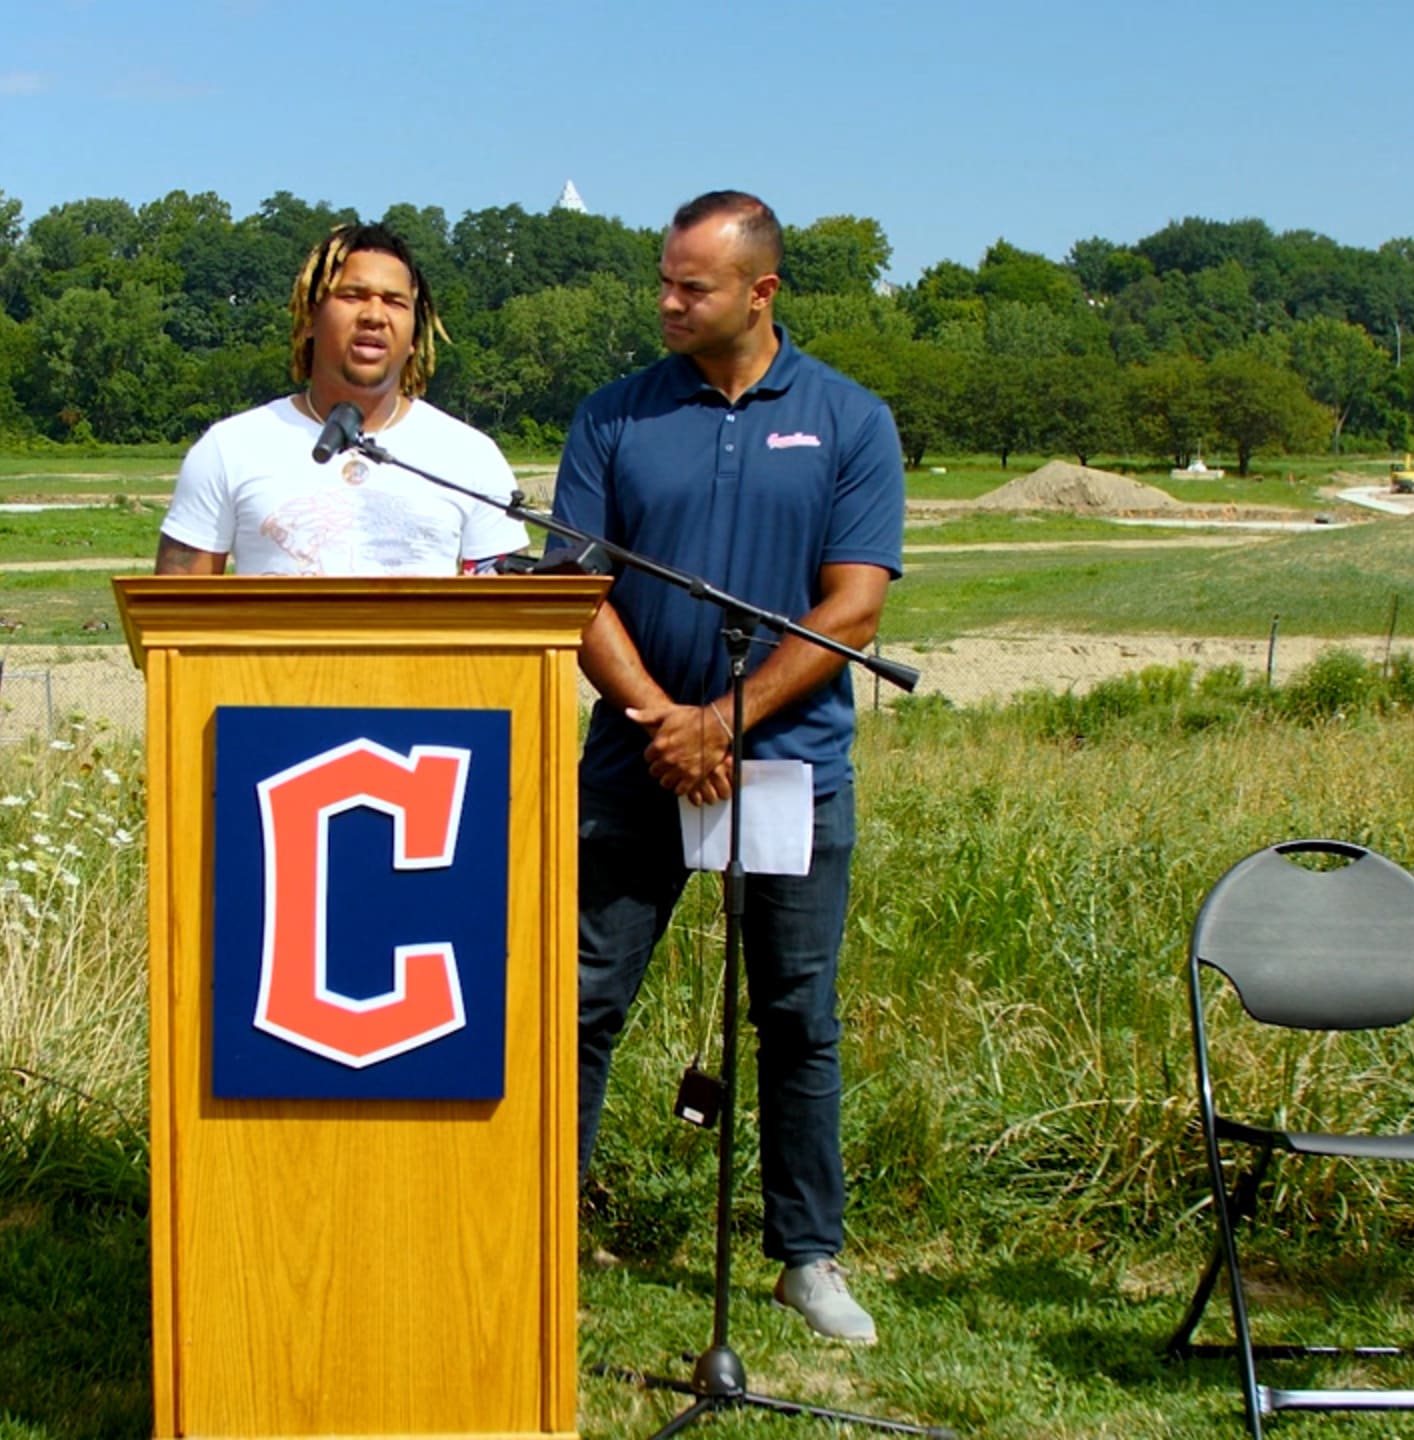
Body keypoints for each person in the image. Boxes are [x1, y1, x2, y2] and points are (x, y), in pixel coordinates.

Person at [552, 192, 904, 1344]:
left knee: (796, 1015)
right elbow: (576, 589)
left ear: (760, 292)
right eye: (661, 278)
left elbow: (851, 603)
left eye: (689, 286)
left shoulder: (850, 421)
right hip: (633, 763)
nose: (664, 301)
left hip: (791, 767)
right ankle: (545, 1224)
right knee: (582, 1000)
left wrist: (728, 720)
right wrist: (665, 719)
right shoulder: (612, 418)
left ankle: (806, 1256)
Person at [155, 222, 529, 576]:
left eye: (395, 302)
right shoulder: (230, 448)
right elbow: (170, 624)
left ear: (415, 334)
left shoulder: (472, 457)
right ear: (310, 319)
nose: (375, 316)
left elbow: (514, 622)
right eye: (353, 296)